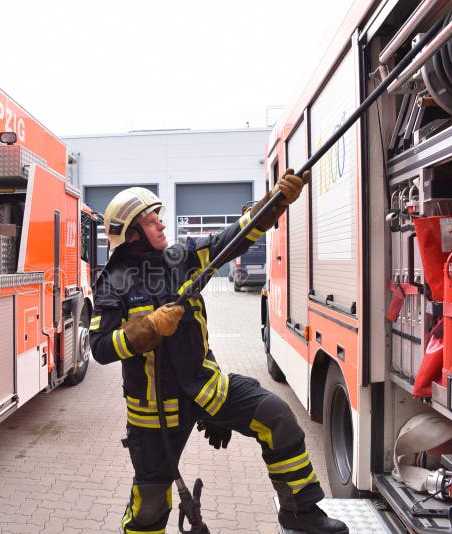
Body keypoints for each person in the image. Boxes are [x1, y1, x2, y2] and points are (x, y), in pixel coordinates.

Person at [89, 171, 348, 534]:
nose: (162, 225)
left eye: (160, 218)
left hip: (207, 390)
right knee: (150, 504)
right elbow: (99, 347)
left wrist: (273, 204)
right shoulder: (112, 280)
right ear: (131, 233)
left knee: (277, 417)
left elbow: (232, 240)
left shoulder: (182, 259)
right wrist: (145, 330)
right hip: (154, 413)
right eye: (151, 221)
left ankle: (300, 513)